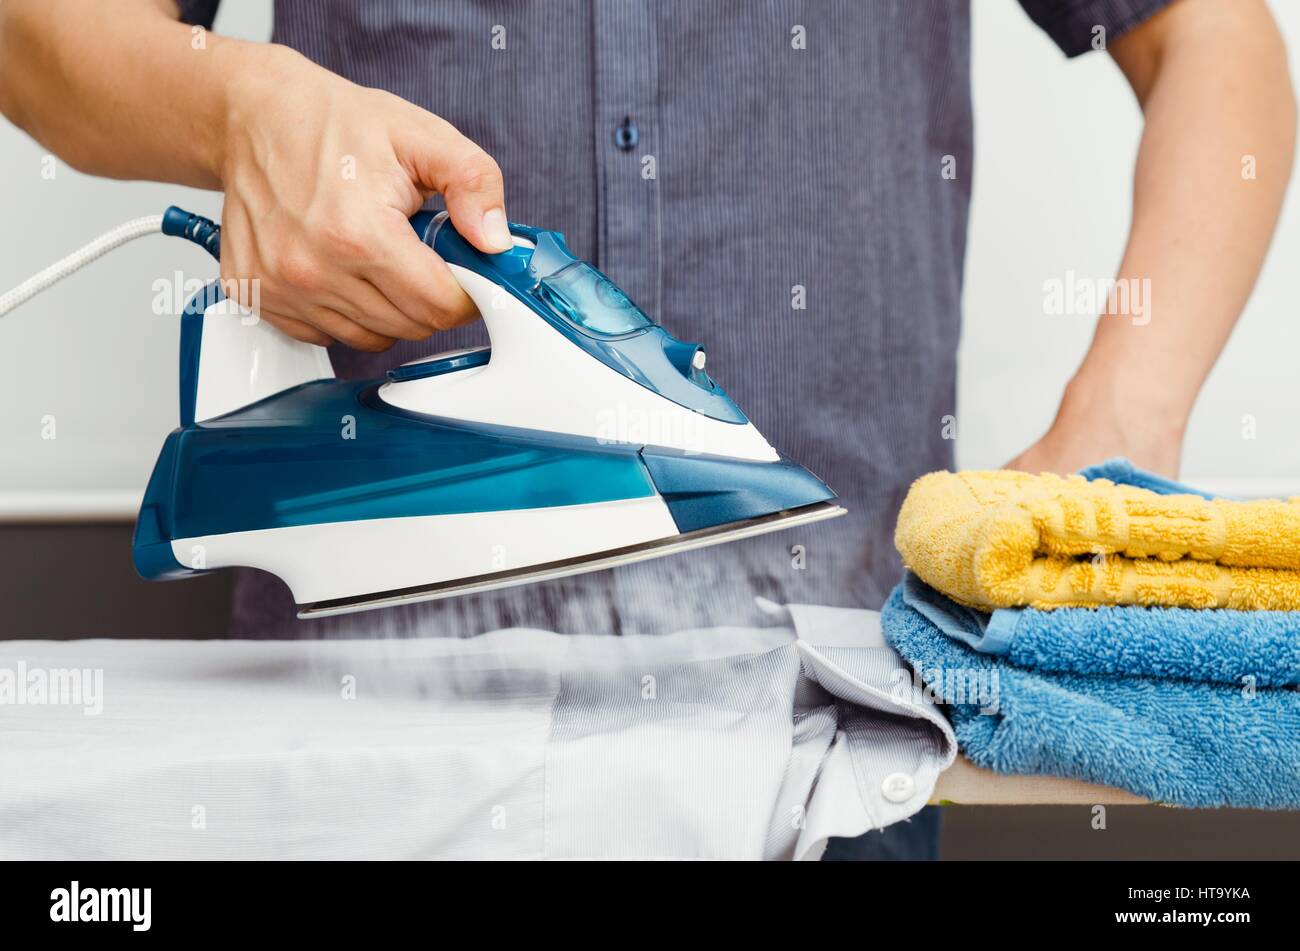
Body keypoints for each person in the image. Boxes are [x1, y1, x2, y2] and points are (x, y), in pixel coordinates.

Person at [0, 0, 1293, 860]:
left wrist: (1117, 418)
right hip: (372, 741)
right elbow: (39, 37)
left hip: (831, 733)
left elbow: (1218, 46)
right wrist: (238, 109)